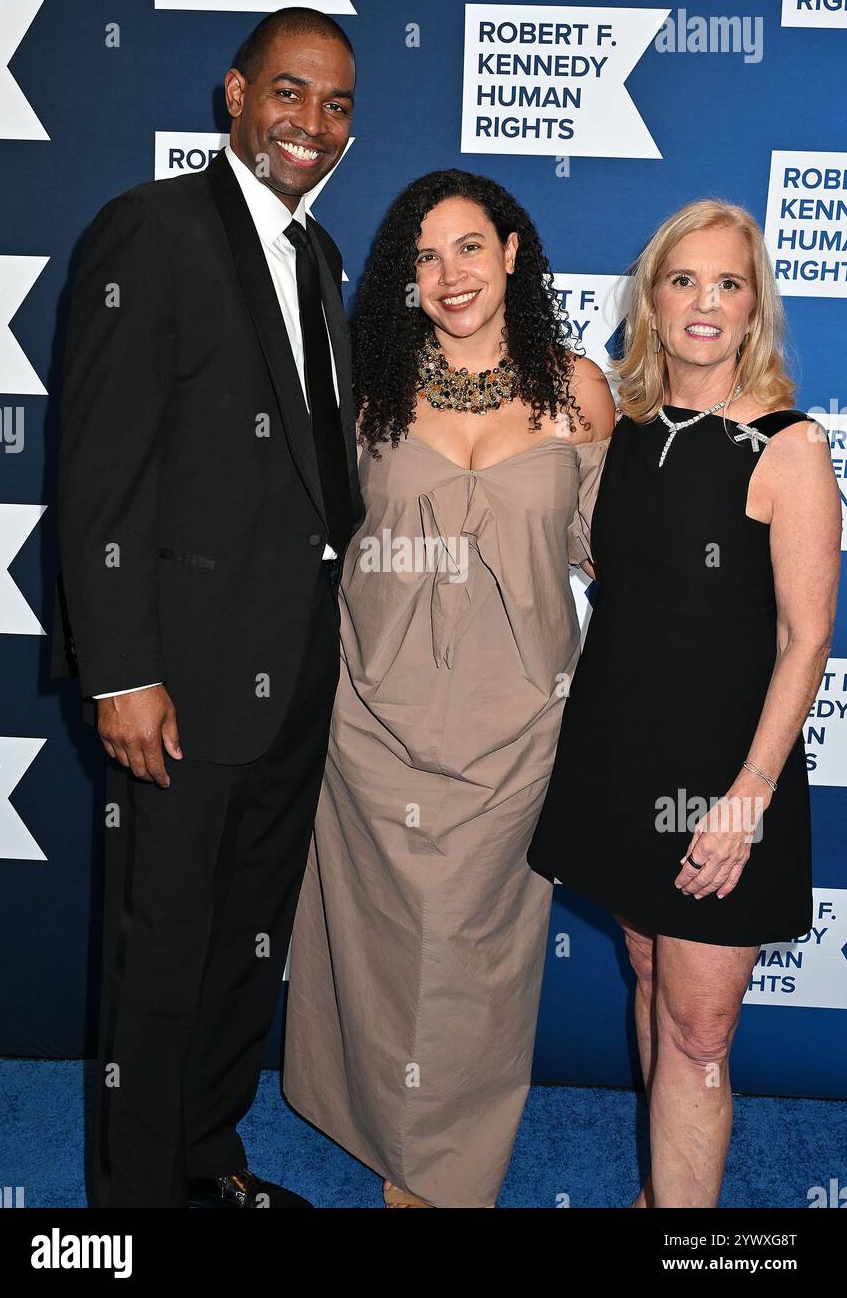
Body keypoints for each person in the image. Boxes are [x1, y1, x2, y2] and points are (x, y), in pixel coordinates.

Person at [57, 7, 363, 1209]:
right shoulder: (153, 228)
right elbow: (98, 472)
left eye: (336, 104)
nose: (311, 124)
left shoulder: (320, 255)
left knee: (246, 950)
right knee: (163, 961)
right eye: (289, 93)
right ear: (234, 95)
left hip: (290, 680)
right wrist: (119, 669)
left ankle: (207, 1160)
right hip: (175, 687)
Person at [283, 169, 615, 1208]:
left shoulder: (577, 389)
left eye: (469, 246)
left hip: (516, 724)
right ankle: (387, 1135)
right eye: (424, 256)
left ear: (512, 253)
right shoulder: (374, 386)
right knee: (381, 946)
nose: (448, 273)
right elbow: (316, 535)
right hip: (371, 715)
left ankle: (439, 1174)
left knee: (477, 956)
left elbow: (613, 558)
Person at [528, 198, 841, 1209]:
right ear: (651, 303)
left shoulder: (788, 448)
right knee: (651, 977)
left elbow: (805, 640)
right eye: (683, 280)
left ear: (752, 310)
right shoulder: (622, 434)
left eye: (728, 283)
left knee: (700, 1032)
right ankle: (663, 1199)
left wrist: (746, 795)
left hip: (724, 780)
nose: (703, 302)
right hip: (620, 760)